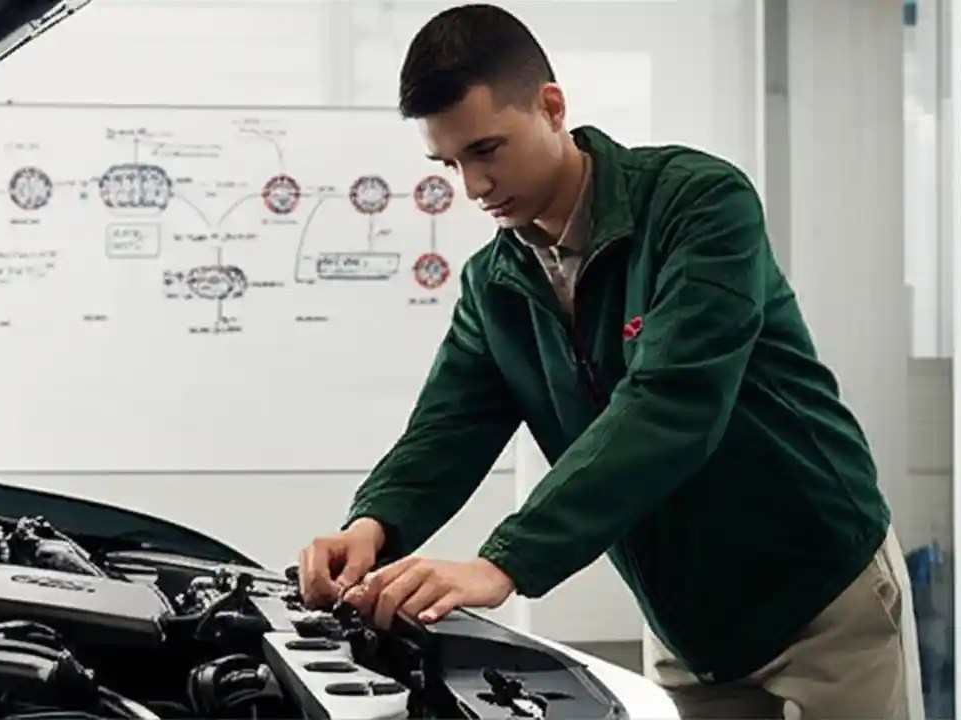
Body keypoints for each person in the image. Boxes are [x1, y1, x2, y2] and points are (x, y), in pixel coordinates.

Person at [294, 4, 924, 719]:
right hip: (688, 618)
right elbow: (447, 429)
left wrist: (505, 561)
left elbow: (672, 404)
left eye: (488, 150)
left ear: (551, 106)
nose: (472, 188)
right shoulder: (493, 284)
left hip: (820, 591)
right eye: (450, 163)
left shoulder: (698, 204)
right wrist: (372, 525)